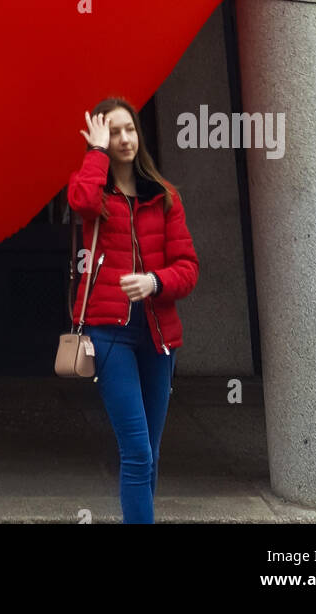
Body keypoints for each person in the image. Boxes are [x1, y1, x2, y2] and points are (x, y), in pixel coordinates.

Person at [68, 95, 199, 524]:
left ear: (139, 135)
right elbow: (81, 200)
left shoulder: (164, 197)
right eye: (114, 131)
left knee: (151, 453)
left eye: (130, 130)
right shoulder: (96, 195)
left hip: (158, 336)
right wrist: (95, 152)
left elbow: (188, 269)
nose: (124, 138)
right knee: (137, 450)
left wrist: (154, 281)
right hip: (109, 335)